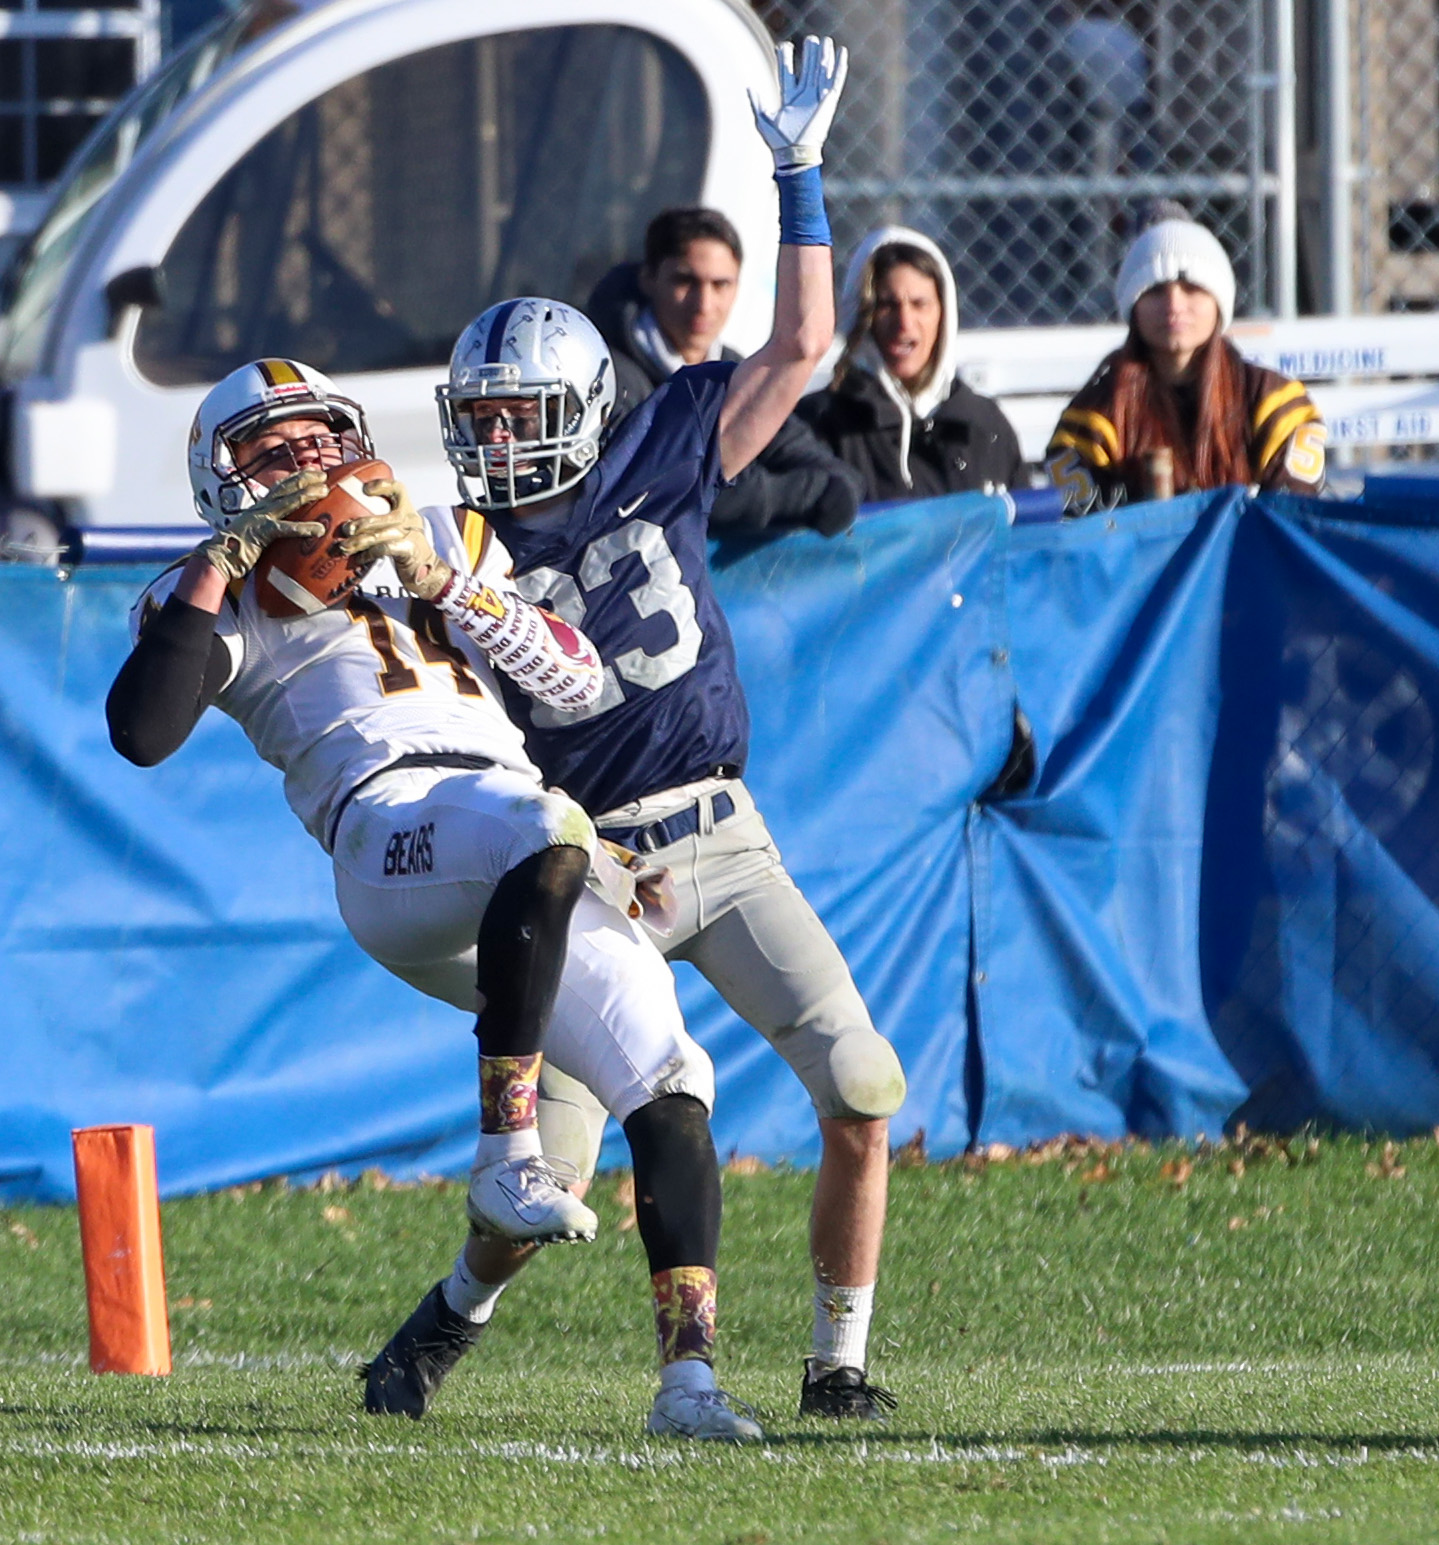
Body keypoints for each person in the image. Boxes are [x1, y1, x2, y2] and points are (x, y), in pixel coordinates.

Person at [377, 34, 910, 1425]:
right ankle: (446, 1318)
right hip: (586, 873)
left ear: (581, 403)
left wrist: (795, 175)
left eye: (517, 413)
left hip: (718, 840)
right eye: (478, 418)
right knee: (536, 1183)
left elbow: (802, 344)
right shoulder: (455, 542)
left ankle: (835, 1367)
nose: (494, 441)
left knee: (860, 1080)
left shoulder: (667, 436)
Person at [105, 358, 758, 1442]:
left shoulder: (441, 534)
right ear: (222, 483)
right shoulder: (220, 594)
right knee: (542, 827)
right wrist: (214, 572)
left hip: (511, 837)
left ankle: (687, 1386)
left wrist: (445, 579)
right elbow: (140, 731)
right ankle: (506, 1155)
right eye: (271, 451)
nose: (304, 462)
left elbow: (578, 681)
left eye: (318, 439)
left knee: (670, 1078)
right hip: (385, 832)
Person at [584, 206, 863, 538]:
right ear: (648, 278)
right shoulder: (604, 378)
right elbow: (669, 491)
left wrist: (816, 493)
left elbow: (836, 482)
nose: (704, 303)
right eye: (686, 281)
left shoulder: (735, 373)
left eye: (721, 284)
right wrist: (794, 496)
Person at [1046, 206, 1328, 512]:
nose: (1174, 305)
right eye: (1155, 291)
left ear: (1219, 304)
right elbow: (1090, 539)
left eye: (1192, 289)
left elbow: (1293, 519)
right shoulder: (1094, 415)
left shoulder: (1272, 399)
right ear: (1133, 307)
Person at [798, 226, 1025, 501]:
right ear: (861, 314)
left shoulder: (985, 426)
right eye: (887, 305)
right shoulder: (821, 425)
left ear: (944, 314)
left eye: (920, 304)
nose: (904, 324)